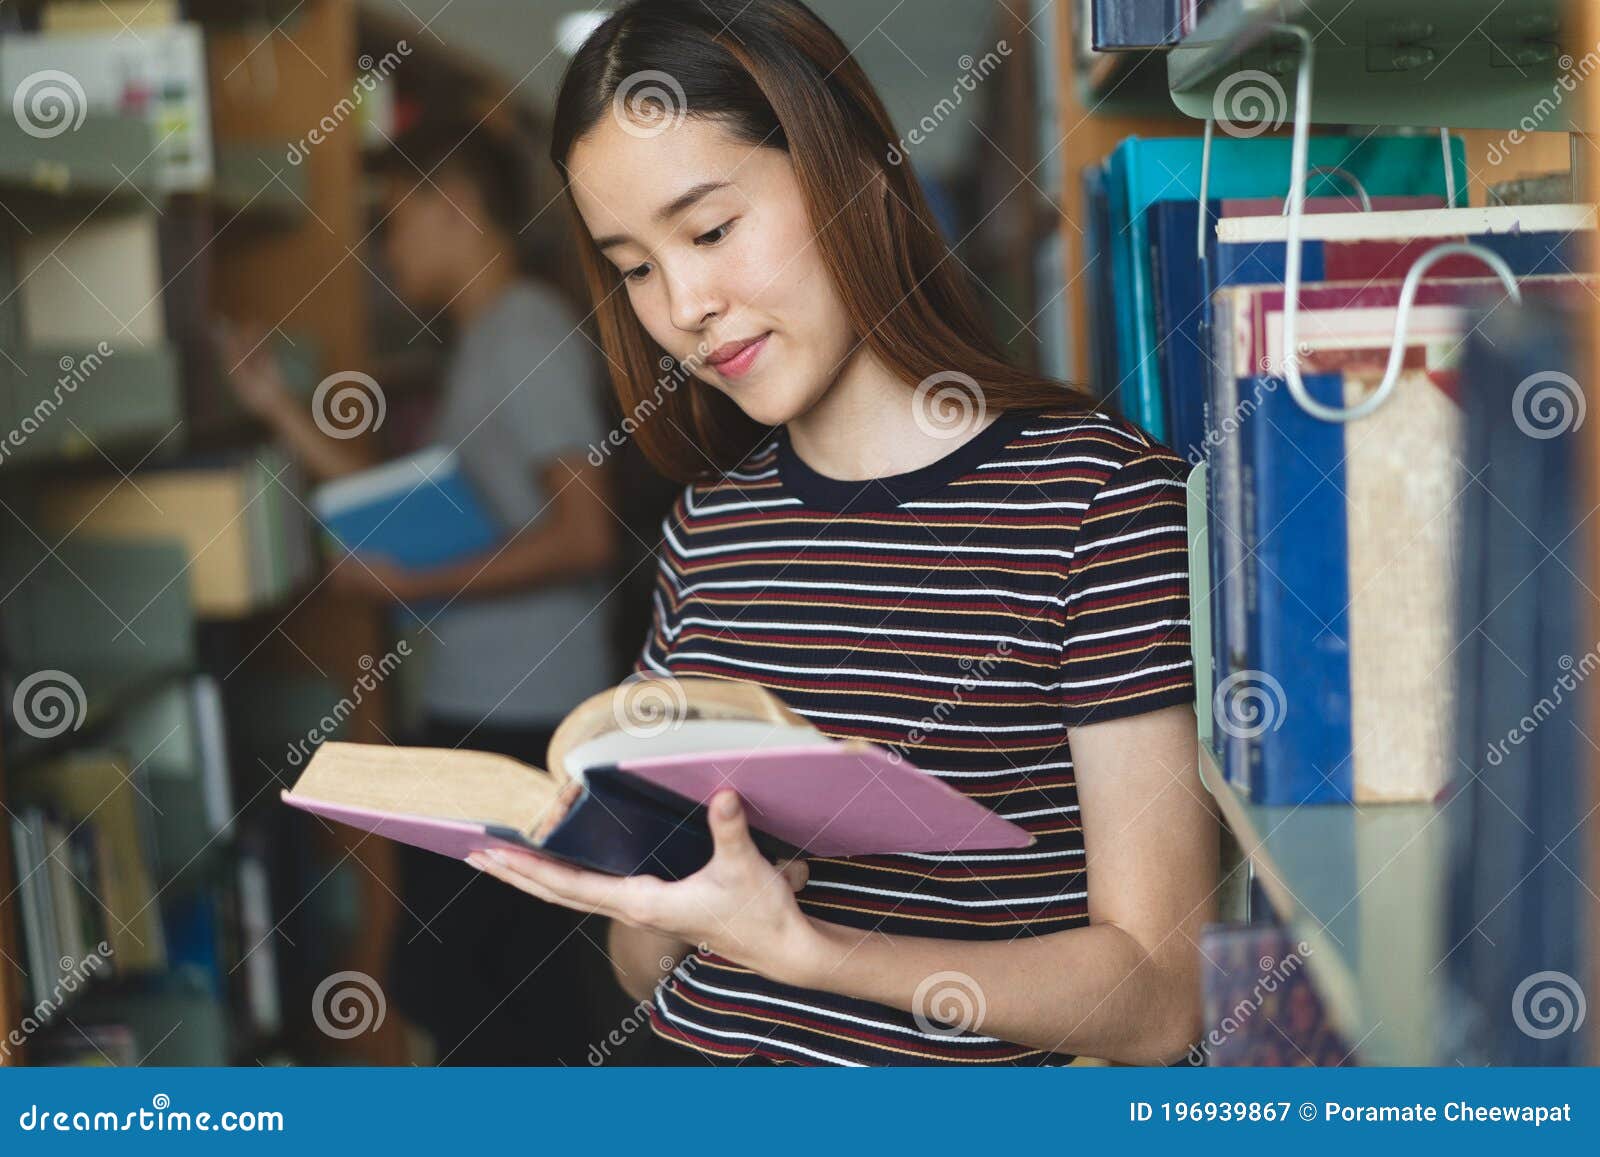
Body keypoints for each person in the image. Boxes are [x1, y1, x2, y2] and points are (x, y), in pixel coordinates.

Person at [466, 0, 1220, 1066]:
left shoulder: (1094, 499)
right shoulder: (709, 526)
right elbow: (641, 967)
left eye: (712, 229)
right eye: (634, 265)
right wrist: (642, 896)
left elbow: (1156, 996)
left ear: (851, 168)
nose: (684, 303)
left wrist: (809, 948)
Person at [225, 119, 623, 1065]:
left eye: (395, 220)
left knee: (488, 994)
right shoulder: (487, 338)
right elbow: (414, 510)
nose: (384, 247)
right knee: (461, 984)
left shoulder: (525, 332)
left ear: (458, 207)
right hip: (482, 710)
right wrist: (279, 410)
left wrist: (413, 582)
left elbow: (585, 531)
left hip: (525, 722)